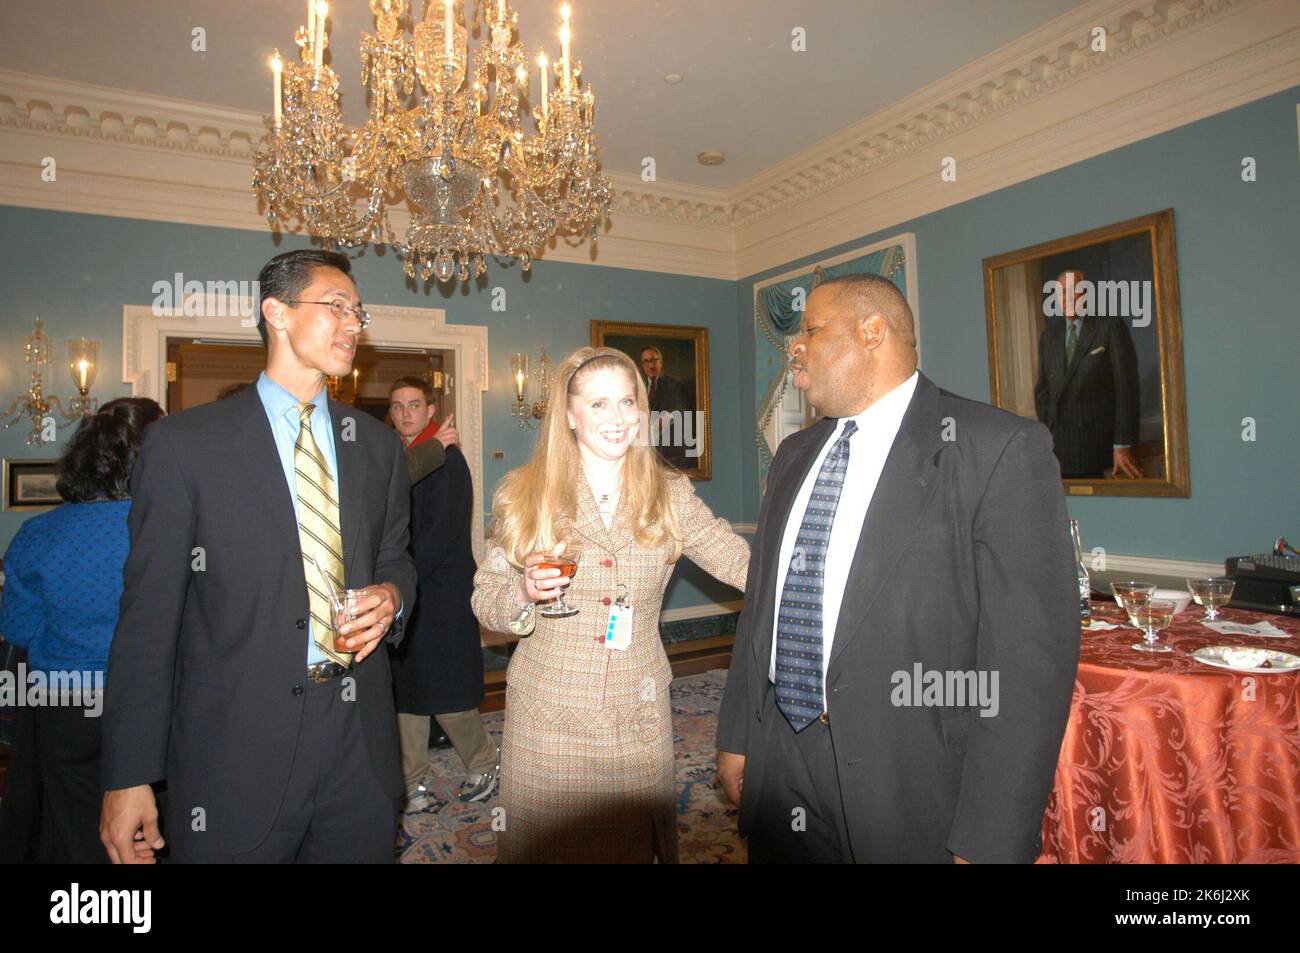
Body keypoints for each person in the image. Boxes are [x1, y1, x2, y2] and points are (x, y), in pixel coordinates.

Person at [716, 273, 1079, 863]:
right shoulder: (793, 455)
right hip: (782, 757)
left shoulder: (998, 449)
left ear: (872, 331)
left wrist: (990, 837)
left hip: (911, 778)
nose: (794, 347)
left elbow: (1028, 667)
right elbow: (762, 607)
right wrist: (739, 736)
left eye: (809, 329)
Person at [99, 248, 417, 864]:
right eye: (337, 308)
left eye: (359, 312)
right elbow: (147, 618)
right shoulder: (185, 445)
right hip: (234, 749)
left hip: (360, 742)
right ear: (276, 312)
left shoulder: (377, 446)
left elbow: (396, 556)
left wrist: (393, 596)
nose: (354, 324)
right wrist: (127, 774)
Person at [472, 346, 749, 862]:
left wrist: (809, 583)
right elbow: (486, 601)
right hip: (548, 713)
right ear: (570, 415)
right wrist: (523, 592)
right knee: (547, 847)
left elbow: (735, 560)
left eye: (627, 402)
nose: (618, 418)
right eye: (599, 405)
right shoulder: (524, 493)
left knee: (627, 847)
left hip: (635, 710)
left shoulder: (669, 493)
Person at [0, 398, 163, 863]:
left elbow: (20, 628)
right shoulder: (165, 529)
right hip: (149, 700)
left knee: (74, 826)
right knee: (151, 827)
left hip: (64, 701)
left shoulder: (37, 533)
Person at [386, 376, 498, 809]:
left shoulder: (448, 460)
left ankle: (483, 762)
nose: (406, 413)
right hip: (405, 588)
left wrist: (398, 582)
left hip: (441, 592)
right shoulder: (397, 458)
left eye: (414, 404)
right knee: (406, 690)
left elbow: (441, 535)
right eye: (397, 406)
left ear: (431, 410)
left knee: (446, 691)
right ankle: (412, 779)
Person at [1033, 268, 1142, 478]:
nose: (1068, 297)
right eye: (1063, 292)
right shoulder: (1049, 337)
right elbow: (1042, 392)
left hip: (1100, 448)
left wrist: (1122, 444)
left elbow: (1126, 389)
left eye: (1075, 290)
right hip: (1059, 448)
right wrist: (1049, 434)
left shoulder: (1110, 326)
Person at [639, 345, 693, 469]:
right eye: (646, 361)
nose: (651, 365)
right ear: (642, 365)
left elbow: (680, 410)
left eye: (653, 360)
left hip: (668, 449)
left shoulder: (674, 384)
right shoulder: (639, 388)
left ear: (661, 362)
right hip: (646, 451)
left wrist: (664, 420)